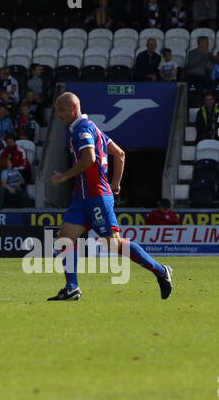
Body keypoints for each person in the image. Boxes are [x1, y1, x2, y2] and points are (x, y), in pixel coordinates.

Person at [46, 91, 174, 301]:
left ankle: (161, 271)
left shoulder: (82, 129)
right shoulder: (93, 128)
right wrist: (115, 183)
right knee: (65, 240)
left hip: (95, 196)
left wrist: (63, 177)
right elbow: (119, 154)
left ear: (73, 107)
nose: (58, 114)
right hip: (83, 198)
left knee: (113, 244)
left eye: (61, 109)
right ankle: (71, 287)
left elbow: (89, 158)